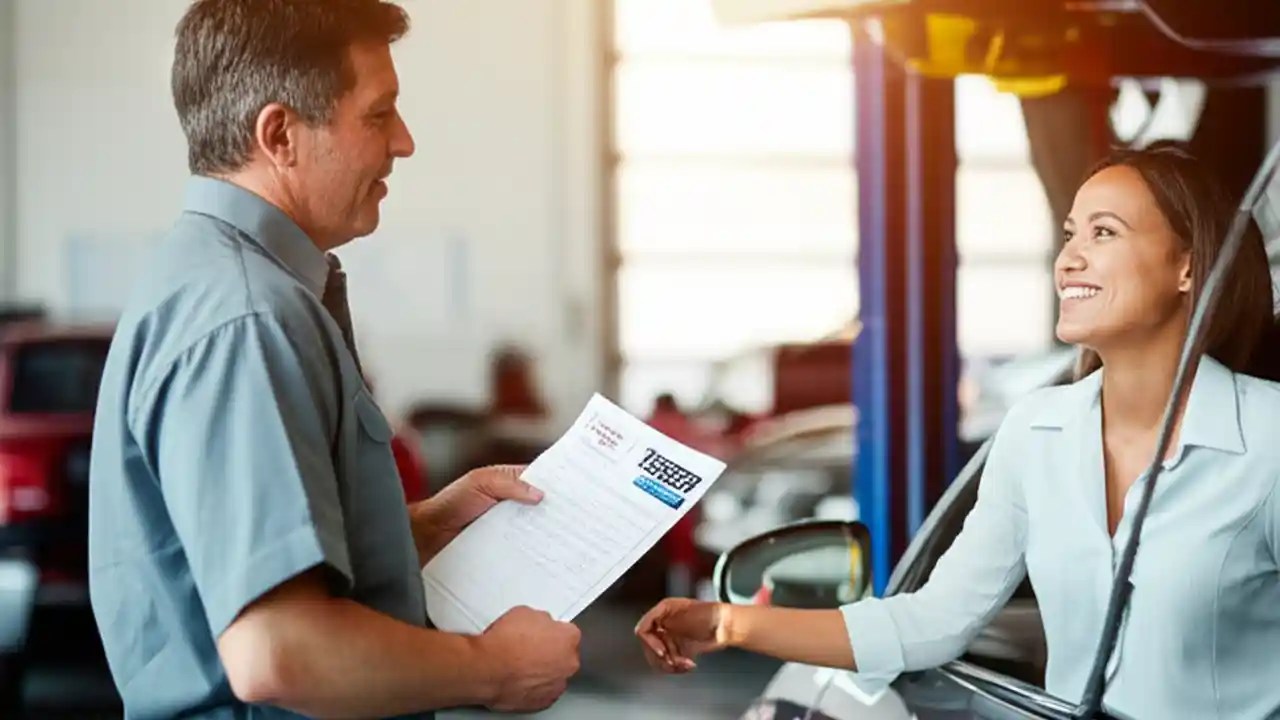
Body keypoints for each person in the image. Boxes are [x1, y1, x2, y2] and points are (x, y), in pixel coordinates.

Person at [635, 141, 1280, 719]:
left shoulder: (1269, 438)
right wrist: (728, 624)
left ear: (1188, 268)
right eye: (1068, 234)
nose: (1069, 260)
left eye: (1103, 234)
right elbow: (933, 621)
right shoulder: (1037, 431)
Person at [88, 1, 579, 717]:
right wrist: (497, 668)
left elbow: (235, 568)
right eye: (379, 116)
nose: (404, 143)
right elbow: (277, 648)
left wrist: (427, 526)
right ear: (280, 134)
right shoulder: (249, 319)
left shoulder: (219, 281)